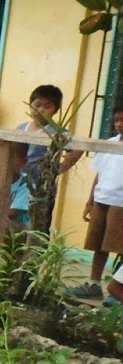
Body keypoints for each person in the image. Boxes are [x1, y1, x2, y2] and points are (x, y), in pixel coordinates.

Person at [70, 106, 123, 297]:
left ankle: (117, 292)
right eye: (117, 120)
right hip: (102, 199)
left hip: (121, 203)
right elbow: (99, 174)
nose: (119, 124)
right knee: (98, 245)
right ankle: (93, 284)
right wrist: (90, 201)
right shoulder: (109, 144)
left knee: (118, 246)